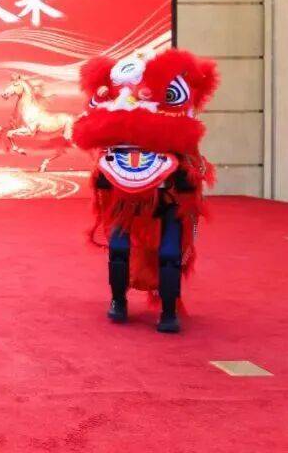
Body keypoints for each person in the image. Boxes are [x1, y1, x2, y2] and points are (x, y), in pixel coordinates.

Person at [72, 48, 218, 333]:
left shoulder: (176, 134)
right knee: (118, 248)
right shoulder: (113, 135)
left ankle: (168, 310)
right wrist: (104, 177)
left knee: (169, 254)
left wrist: (184, 179)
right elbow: (102, 172)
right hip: (124, 202)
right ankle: (118, 300)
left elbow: (192, 171)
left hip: (167, 201)